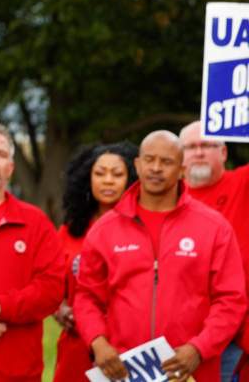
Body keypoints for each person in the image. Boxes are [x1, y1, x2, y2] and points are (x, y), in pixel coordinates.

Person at [75, 130, 247, 382]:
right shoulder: (105, 230)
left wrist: (199, 348)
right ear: (137, 164)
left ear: (181, 169)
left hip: (191, 370)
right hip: (124, 370)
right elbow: (87, 296)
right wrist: (98, 343)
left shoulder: (214, 228)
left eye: (166, 162)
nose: (156, 168)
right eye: (149, 159)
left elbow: (231, 300)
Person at [0, 121, 65, 382]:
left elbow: (52, 288)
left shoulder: (34, 222)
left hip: (18, 372)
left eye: (1, 154)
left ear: (11, 168)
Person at [52, 142, 137, 382]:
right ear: (86, 180)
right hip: (77, 346)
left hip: (128, 346)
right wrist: (58, 308)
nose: (108, 180)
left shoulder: (142, 229)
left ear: (131, 179)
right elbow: (51, 283)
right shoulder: (70, 232)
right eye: (100, 174)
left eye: (117, 174)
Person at [180, 120, 249, 381]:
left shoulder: (243, 183)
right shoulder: (165, 196)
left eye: (207, 144)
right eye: (190, 147)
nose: (198, 152)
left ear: (224, 153)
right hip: (179, 330)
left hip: (235, 331)